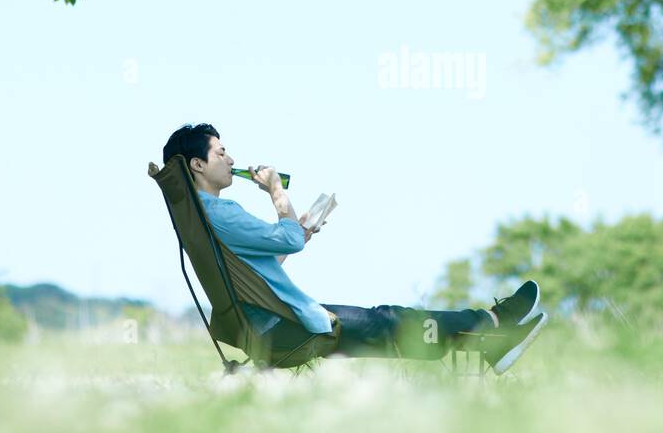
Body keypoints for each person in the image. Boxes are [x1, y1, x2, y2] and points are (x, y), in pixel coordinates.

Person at [161, 123, 548, 374]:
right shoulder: (222, 212)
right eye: (221, 153)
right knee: (391, 321)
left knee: (389, 327)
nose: (231, 159)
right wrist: (277, 190)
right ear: (197, 164)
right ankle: (494, 326)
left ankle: (492, 339)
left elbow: (253, 271)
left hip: (266, 326)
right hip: (287, 328)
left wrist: (300, 233)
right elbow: (289, 240)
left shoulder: (201, 217)